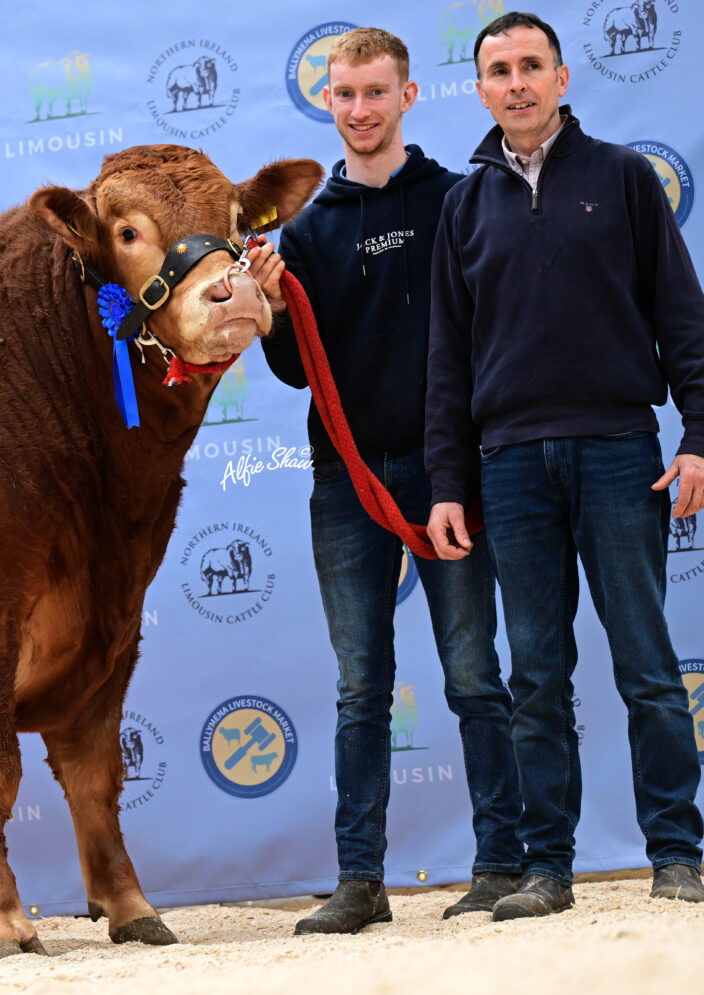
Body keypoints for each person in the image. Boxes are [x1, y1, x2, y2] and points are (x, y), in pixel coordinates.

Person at [425, 12, 704, 919]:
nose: (517, 83)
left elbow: (683, 318)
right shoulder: (464, 205)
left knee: (649, 666)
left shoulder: (623, 177)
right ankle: (549, 867)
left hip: (620, 450)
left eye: (531, 67)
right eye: (498, 70)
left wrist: (697, 435)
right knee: (535, 678)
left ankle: (676, 853)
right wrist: (446, 486)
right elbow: (448, 364)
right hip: (508, 468)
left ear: (562, 76)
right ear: (480, 89)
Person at [248, 26, 523, 934]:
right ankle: (359, 881)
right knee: (360, 686)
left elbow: (489, 333)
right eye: (343, 95)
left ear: (407, 97)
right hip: (348, 483)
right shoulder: (307, 231)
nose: (359, 110)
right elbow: (296, 374)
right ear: (326, 102)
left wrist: (459, 466)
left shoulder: (457, 200)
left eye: (375, 93)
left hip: (451, 475)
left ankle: (501, 864)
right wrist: (275, 310)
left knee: (476, 675)